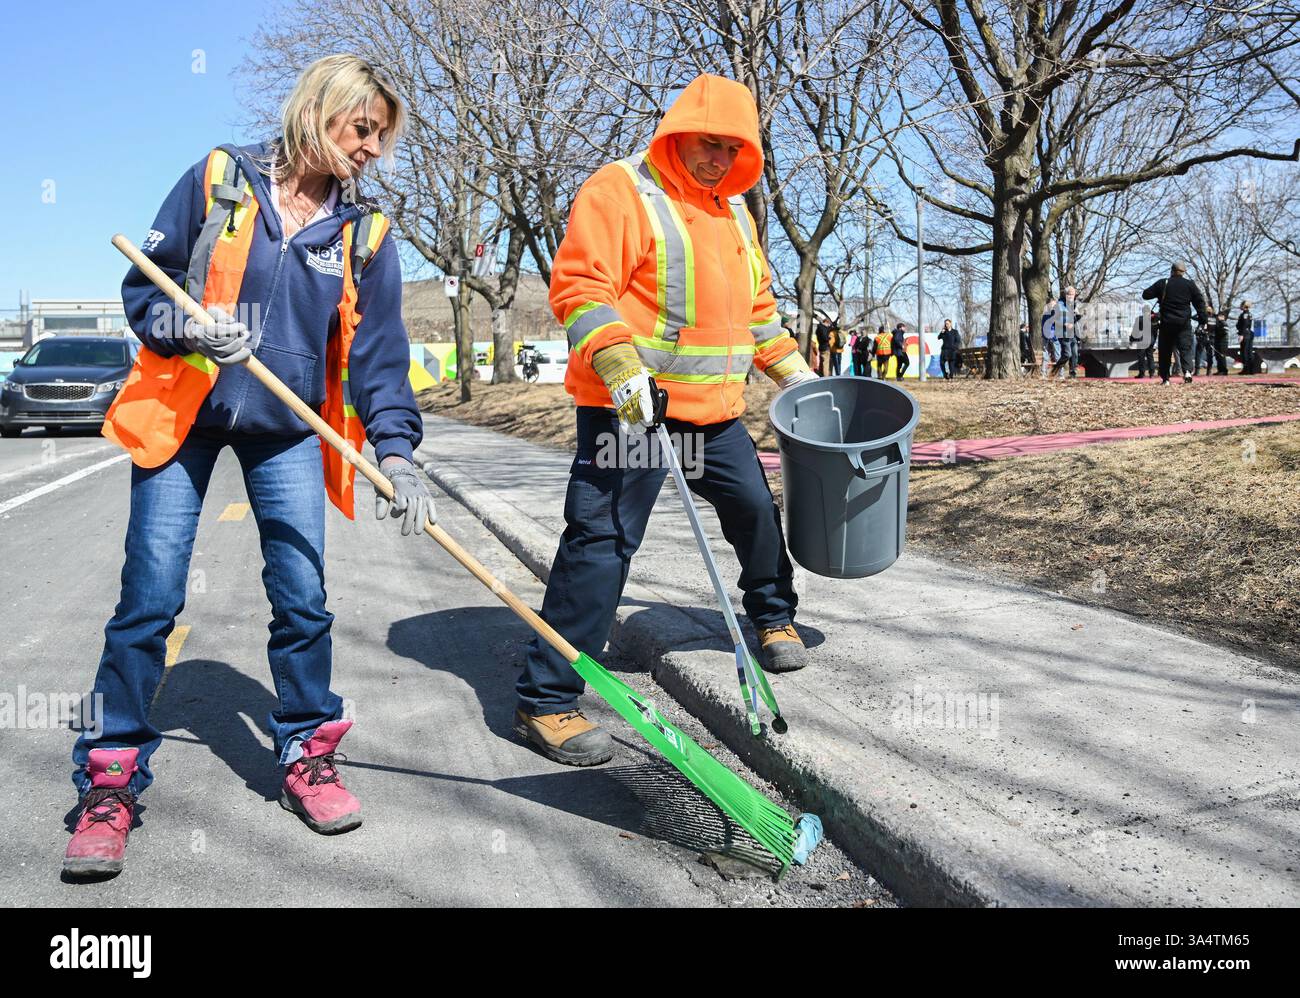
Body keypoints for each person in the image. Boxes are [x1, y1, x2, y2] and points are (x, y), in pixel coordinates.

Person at [63, 55, 431, 878]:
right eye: (361, 129)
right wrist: (189, 328)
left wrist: (399, 454)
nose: (372, 149)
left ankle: (307, 749)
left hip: (289, 430)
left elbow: (379, 359)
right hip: (186, 416)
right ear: (320, 110)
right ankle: (110, 777)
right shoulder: (220, 178)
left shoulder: (363, 236)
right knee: (150, 596)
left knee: (303, 595)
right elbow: (143, 290)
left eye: (381, 137)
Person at [519, 74, 816, 766]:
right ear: (678, 132)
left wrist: (796, 377)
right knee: (602, 544)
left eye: (730, 147)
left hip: (713, 417)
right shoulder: (620, 190)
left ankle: (773, 619)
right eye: (705, 143)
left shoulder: (735, 214)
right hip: (634, 415)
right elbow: (582, 287)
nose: (715, 157)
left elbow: (758, 314)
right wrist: (621, 367)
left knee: (754, 511)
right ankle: (546, 701)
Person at [1142, 261, 1207, 385]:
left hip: (1167, 323)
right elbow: (1200, 302)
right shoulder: (1190, 285)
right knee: (1185, 348)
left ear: (1171, 270)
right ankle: (1187, 371)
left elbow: (1145, 294)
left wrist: (1159, 294)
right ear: (1184, 272)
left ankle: (1166, 378)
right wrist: (1203, 319)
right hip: (1184, 323)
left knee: (1165, 350)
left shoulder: (1163, 283)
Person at [1046, 286, 1080, 378]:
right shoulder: (1059, 305)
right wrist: (1064, 324)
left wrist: (1078, 315)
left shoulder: (1073, 305)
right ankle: (1055, 369)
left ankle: (1072, 374)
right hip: (1063, 333)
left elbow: (1075, 319)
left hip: (1072, 333)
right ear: (1065, 295)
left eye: (1073, 295)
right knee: (1067, 354)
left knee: (1075, 354)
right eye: (1069, 294)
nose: (1071, 296)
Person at [1237, 301, 1255, 374]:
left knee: (1244, 352)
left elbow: (1244, 324)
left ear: (1244, 306)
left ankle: (1246, 369)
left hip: (1245, 334)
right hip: (1249, 333)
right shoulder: (1249, 314)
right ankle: (1251, 370)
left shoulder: (1244, 315)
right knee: (1249, 352)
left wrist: (1241, 335)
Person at [1212, 309, 1231, 374]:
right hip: (1218, 341)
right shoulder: (1218, 323)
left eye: (1220, 316)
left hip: (1223, 342)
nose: (1218, 317)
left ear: (1223, 316)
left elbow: (1224, 332)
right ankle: (1220, 370)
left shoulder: (1224, 323)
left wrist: (1218, 333)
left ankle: (1224, 370)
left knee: (1222, 356)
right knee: (1218, 356)